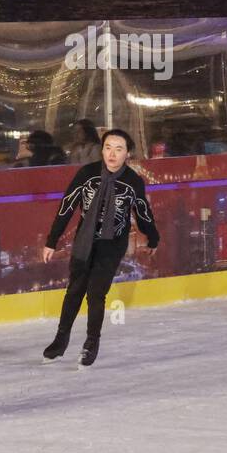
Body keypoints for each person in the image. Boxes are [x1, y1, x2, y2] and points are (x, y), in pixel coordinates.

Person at [40, 129, 160, 367]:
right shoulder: (87, 173)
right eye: (108, 148)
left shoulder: (133, 181)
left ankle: (91, 343)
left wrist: (153, 238)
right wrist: (51, 241)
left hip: (113, 243)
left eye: (118, 149)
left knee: (96, 292)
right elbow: (67, 206)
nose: (112, 154)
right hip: (85, 239)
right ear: (102, 150)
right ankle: (60, 339)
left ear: (127, 153)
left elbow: (143, 214)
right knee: (75, 290)